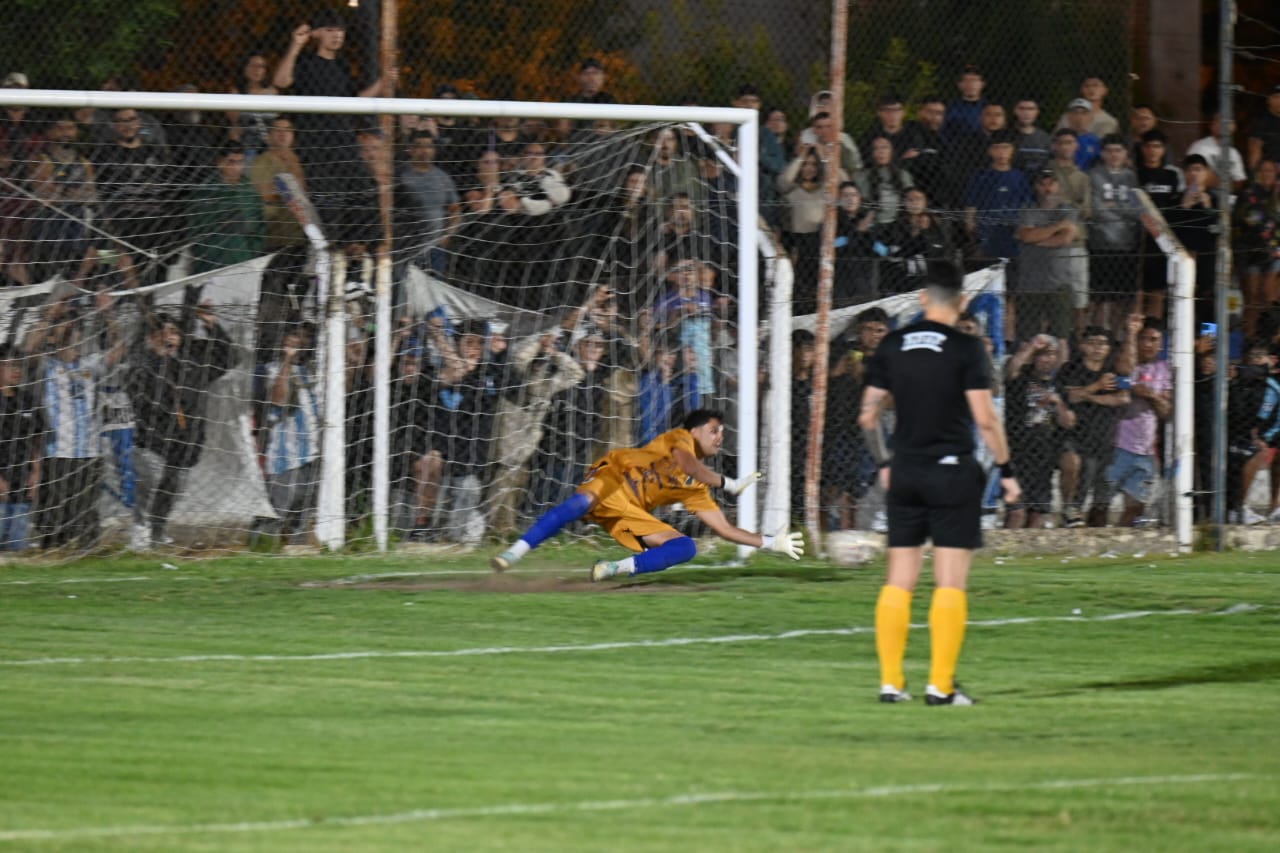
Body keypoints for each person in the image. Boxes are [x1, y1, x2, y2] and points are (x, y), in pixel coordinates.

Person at [858, 260, 1020, 705]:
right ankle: (940, 686)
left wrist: (885, 462)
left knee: (898, 580)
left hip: (905, 471)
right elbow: (986, 420)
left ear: (924, 299)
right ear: (962, 301)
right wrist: (1006, 471)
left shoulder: (892, 345)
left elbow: (868, 414)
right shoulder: (968, 349)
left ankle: (891, 683)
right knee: (949, 582)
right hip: (952, 472)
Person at [491, 409, 802, 581]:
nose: (720, 437)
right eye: (714, 430)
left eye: (722, 433)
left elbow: (724, 530)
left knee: (685, 546)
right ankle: (513, 553)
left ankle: (615, 568)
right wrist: (729, 484)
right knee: (582, 501)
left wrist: (771, 542)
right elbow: (688, 464)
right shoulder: (678, 439)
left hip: (629, 510)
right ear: (693, 432)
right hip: (613, 476)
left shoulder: (696, 489)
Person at [126, 304, 233, 550]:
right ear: (151, 339)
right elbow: (137, 393)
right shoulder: (142, 367)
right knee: (150, 481)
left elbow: (227, 359)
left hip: (185, 442)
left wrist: (211, 324)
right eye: (162, 333)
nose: (169, 337)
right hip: (152, 440)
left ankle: (157, 531)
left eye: (174, 332)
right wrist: (157, 357)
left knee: (174, 487)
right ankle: (140, 530)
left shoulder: (190, 367)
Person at [1102, 317, 1171, 527]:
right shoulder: (1123, 361)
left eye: (1154, 339)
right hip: (1116, 446)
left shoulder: (1164, 369)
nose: (1148, 344)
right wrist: (1131, 333)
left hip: (1145, 451)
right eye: (1144, 339)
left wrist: (1150, 395)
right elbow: (1123, 370)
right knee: (1101, 503)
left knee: (1136, 507)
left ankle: (1116, 548)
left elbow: (1166, 411)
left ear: (1161, 344)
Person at [0, 344, 46, 551]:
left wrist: (36, 473)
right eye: (11, 365)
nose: (17, 370)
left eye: (19, 365)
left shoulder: (27, 399)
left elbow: (35, 439)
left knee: (16, 549)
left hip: (21, 485)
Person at [1246, 83, 1280, 173]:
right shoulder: (1260, 121)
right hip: (1269, 172)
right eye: (1276, 97)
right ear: (1268, 100)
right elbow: (1255, 150)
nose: (1279, 100)